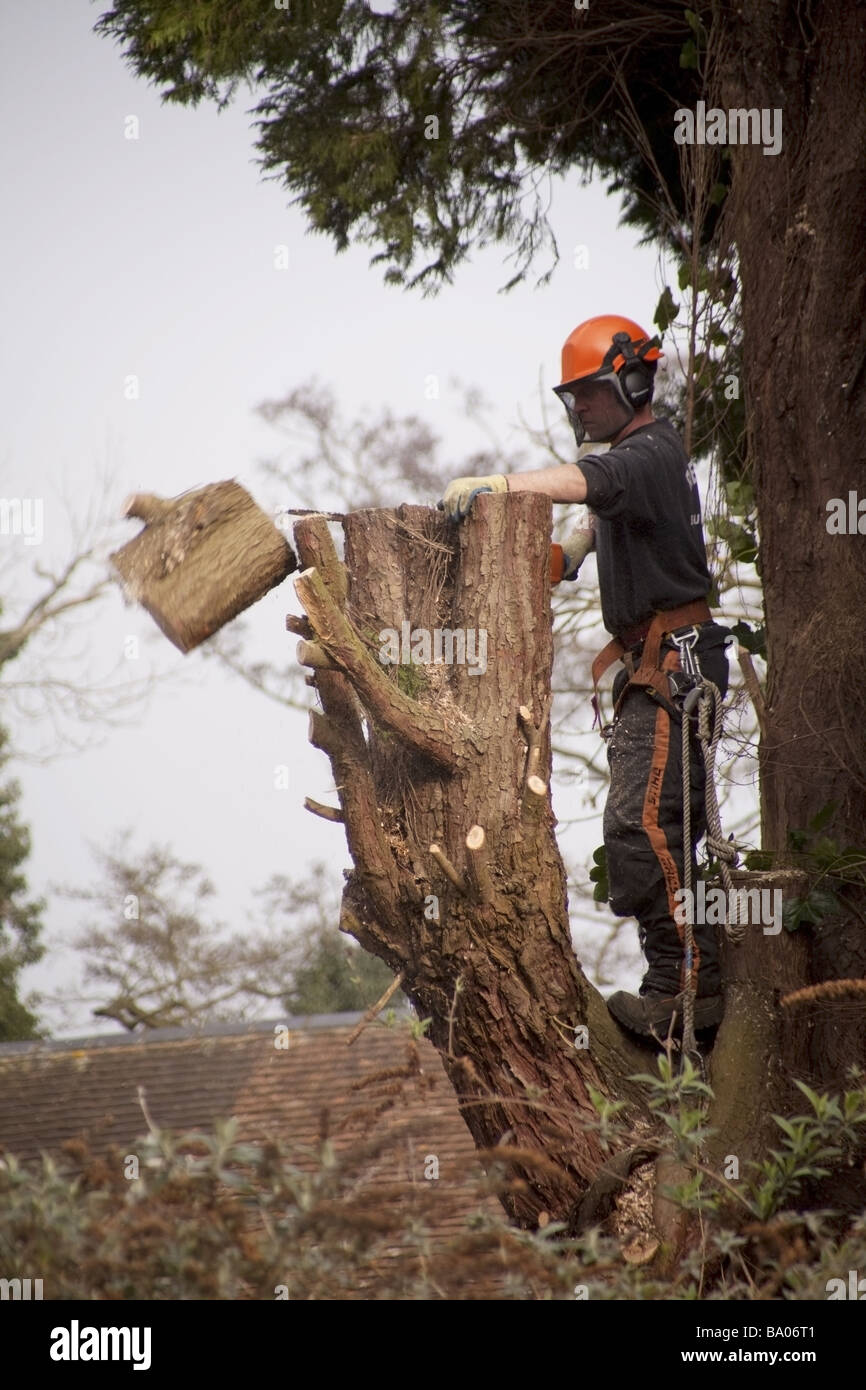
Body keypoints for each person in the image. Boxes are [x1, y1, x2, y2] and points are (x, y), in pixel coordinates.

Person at [437, 314, 731, 1038]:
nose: (578, 410)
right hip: (652, 661)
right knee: (638, 826)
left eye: (589, 395)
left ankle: (689, 986)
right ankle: (680, 976)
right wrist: (567, 556)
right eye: (572, 398)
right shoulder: (646, 458)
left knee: (645, 826)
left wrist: (500, 484)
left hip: (676, 664)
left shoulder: (647, 452)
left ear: (631, 382)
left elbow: (588, 482)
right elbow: (606, 515)